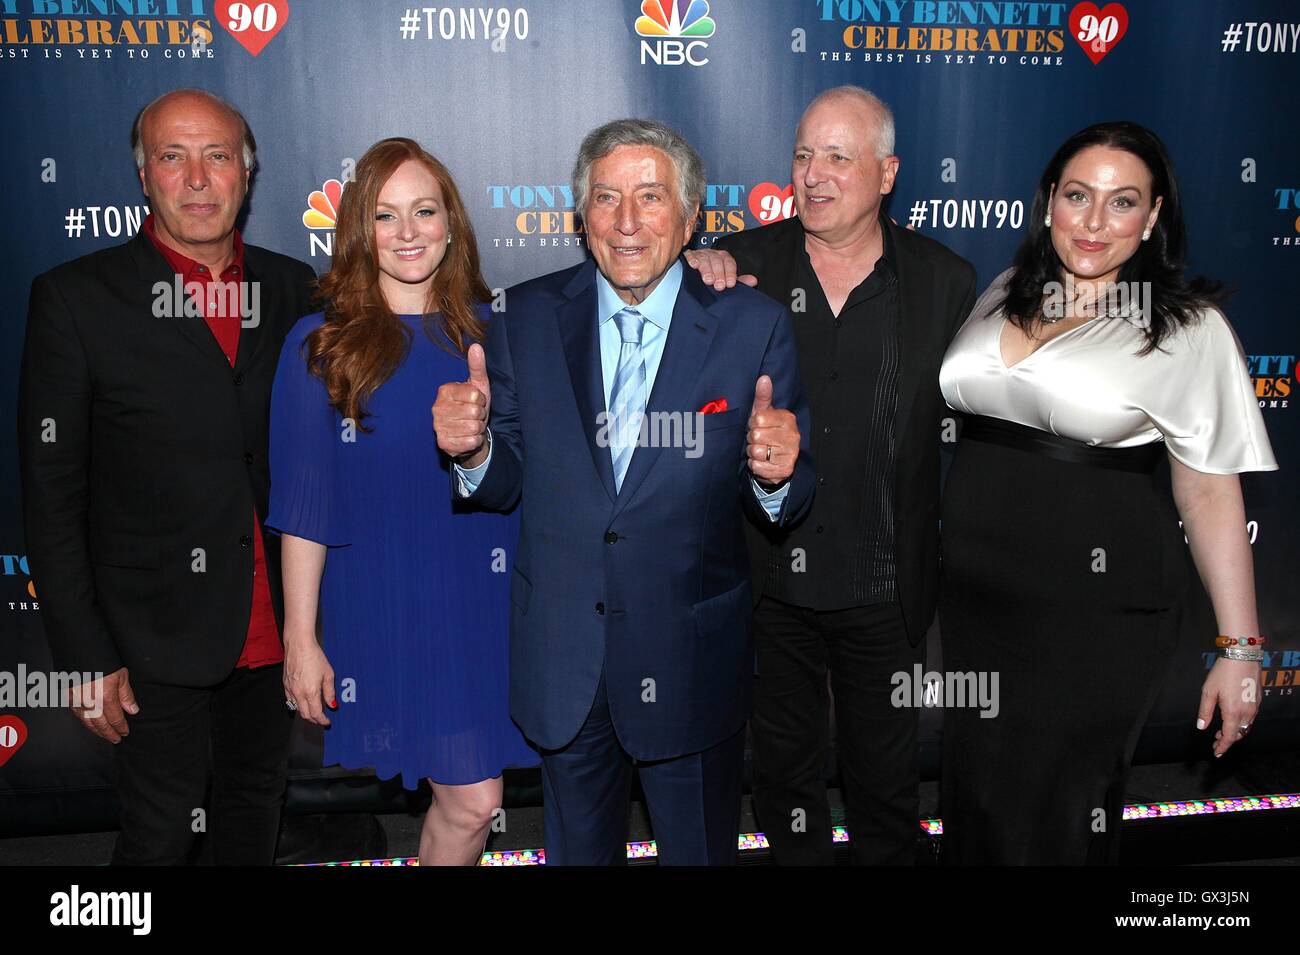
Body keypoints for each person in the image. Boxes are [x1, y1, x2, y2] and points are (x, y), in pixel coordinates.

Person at [431, 118, 815, 865]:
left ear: (691, 215)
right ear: (583, 215)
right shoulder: (524, 316)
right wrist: (474, 447)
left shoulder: (752, 325)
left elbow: (785, 486)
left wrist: (774, 475)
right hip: (566, 663)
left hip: (692, 660)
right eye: (606, 198)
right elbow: (503, 479)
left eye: (650, 197)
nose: (627, 222)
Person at [938, 121, 1276, 865]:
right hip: (976, 602)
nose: (1093, 222)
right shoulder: (1001, 290)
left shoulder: (1187, 328)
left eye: (1122, 202)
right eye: (1077, 196)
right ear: (1048, 201)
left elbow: (1211, 492)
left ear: (1153, 218)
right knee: (980, 800)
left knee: (1060, 809)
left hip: (1096, 607)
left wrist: (1241, 649)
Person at [17, 88, 316, 864]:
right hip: (149, 637)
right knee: (158, 836)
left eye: (216, 156)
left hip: (274, 624)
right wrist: (85, 657)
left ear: (246, 174)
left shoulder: (296, 291)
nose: (196, 178)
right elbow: (52, 495)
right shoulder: (76, 299)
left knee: (254, 812)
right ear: (142, 177)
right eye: (171, 157)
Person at [686, 86, 976, 865]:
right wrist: (692, 264)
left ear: (887, 174)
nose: (813, 174)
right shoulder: (739, 266)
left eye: (838, 157)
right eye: (804, 154)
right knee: (783, 778)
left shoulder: (946, 280)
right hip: (767, 578)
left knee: (886, 783)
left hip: (886, 584)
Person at [267, 138, 537, 866]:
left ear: (452, 224)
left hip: (490, 602)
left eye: (425, 210)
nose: (409, 231)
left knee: (470, 801)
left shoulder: (495, 333)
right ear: (359, 230)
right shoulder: (320, 346)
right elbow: (304, 506)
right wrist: (300, 635)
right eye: (386, 215)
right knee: (475, 799)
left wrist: (708, 263)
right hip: (390, 603)